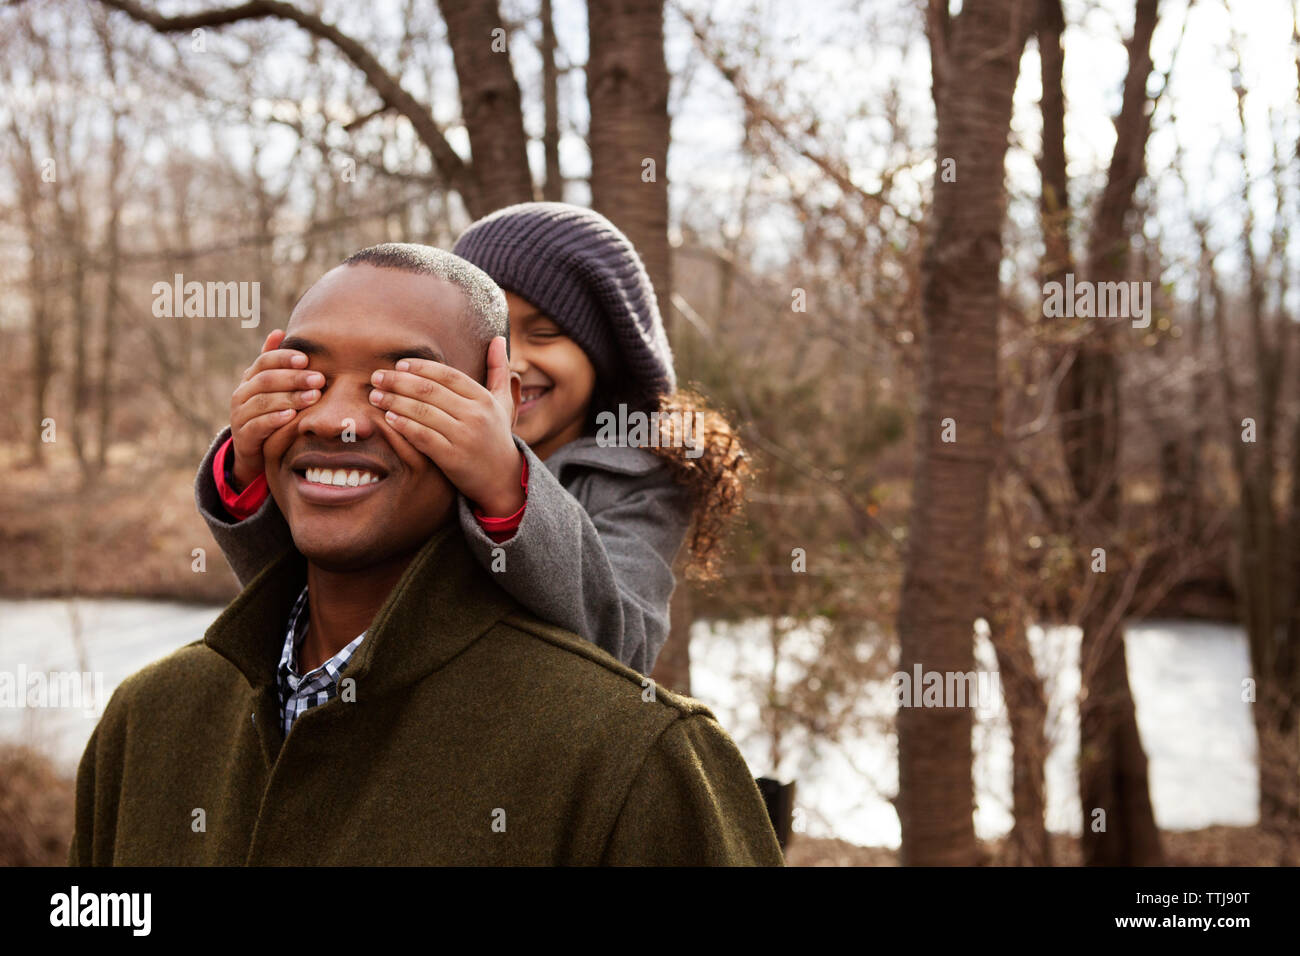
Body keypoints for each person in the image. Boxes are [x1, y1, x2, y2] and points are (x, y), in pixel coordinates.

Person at [69, 244, 784, 866]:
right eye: (308, 377)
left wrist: (503, 477)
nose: (336, 417)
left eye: (405, 383)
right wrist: (245, 475)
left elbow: (609, 637)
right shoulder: (148, 724)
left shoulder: (644, 757)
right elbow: (327, 575)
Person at [194, 202, 747, 675]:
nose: (515, 364)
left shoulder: (640, 480)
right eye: (496, 338)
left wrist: (504, 484)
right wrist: (247, 472)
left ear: (603, 355)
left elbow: (619, 646)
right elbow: (307, 598)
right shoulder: (415, 446)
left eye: (545, 334)